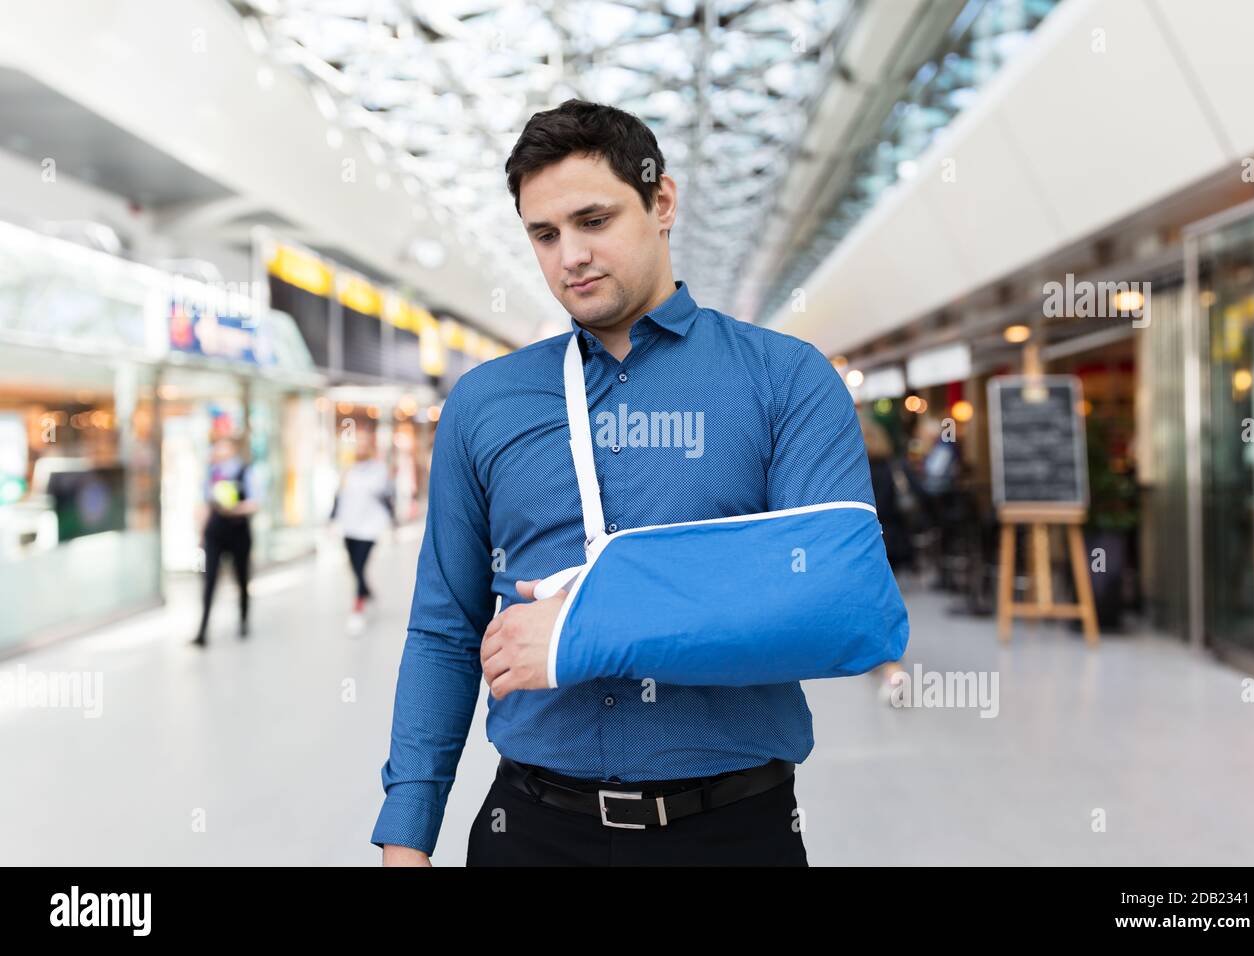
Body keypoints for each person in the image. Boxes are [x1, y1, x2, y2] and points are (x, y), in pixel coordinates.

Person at [371, 99, 905, 866]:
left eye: (594, 220)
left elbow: (841, 607)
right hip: (530, 828)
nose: (570, 257)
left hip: (732, 830)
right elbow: (445, 627)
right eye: (544, 235)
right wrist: (407, 830)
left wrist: (592, 625)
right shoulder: (486, 404)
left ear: (661, 202)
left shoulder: (785, 381)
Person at [192, 435, 258, 647]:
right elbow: (204, 504)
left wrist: (235, 509)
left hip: (238, 531)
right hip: (215, 531)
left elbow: (255, 503)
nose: (219, 451)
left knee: (241, 578)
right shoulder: (212, 473)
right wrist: (200, 535)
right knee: (209, 580)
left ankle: (243, 620)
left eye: (223, 446)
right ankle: (203, 629)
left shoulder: (245, 472)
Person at [332, 432, 395, 634]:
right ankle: (367, 592)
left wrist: (393, 522)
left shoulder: (379, 470)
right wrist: (331, 519)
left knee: (359, 566)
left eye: (363, 445)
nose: (359, 449)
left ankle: (357, 610)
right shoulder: (348, 470)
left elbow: (386, 497)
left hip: (370, 527)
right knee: (353, 566)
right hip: (349, 525)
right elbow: (339, 496)